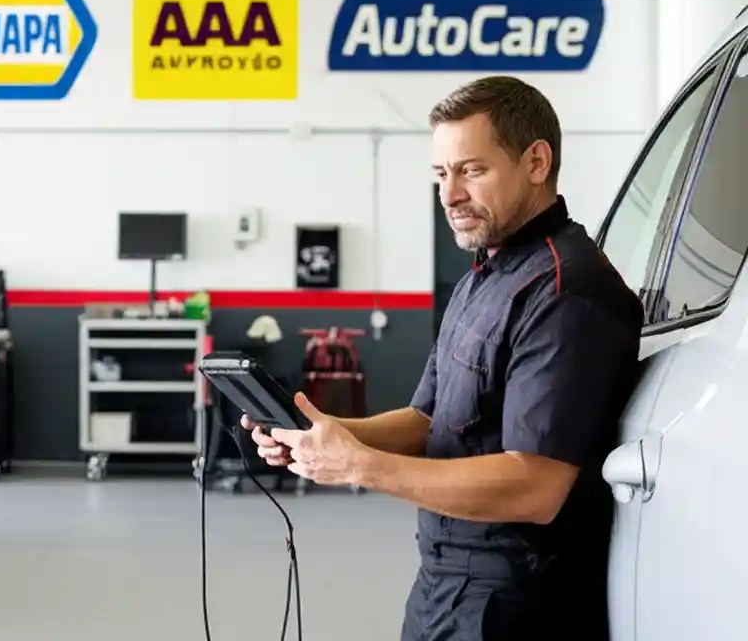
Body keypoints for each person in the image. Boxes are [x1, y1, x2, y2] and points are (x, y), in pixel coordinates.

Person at [243, 76, 643, 640]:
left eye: (472, 171)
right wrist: (326, 436)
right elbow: (427, 421)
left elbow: (536, 485)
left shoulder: (566, 291)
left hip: (517, 604)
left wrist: (359, 466)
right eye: (441, 174)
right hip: (442, 584)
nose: (450, 195)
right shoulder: (481, 280)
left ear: (536, 161)